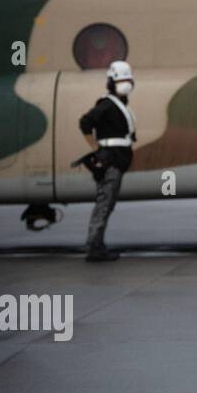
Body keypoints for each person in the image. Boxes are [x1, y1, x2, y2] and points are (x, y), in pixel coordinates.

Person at [78, 60, 137, 263]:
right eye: (123, 79)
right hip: (110, 161)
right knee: (104, 204)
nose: (127, 83)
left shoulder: (117, 105)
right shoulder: (106, 105)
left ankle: (97, 244)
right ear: (112, 82)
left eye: (128, 79)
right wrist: (97, 149)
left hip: (116, 161)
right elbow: (85, 122)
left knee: (106, 204)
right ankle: (94, 247)